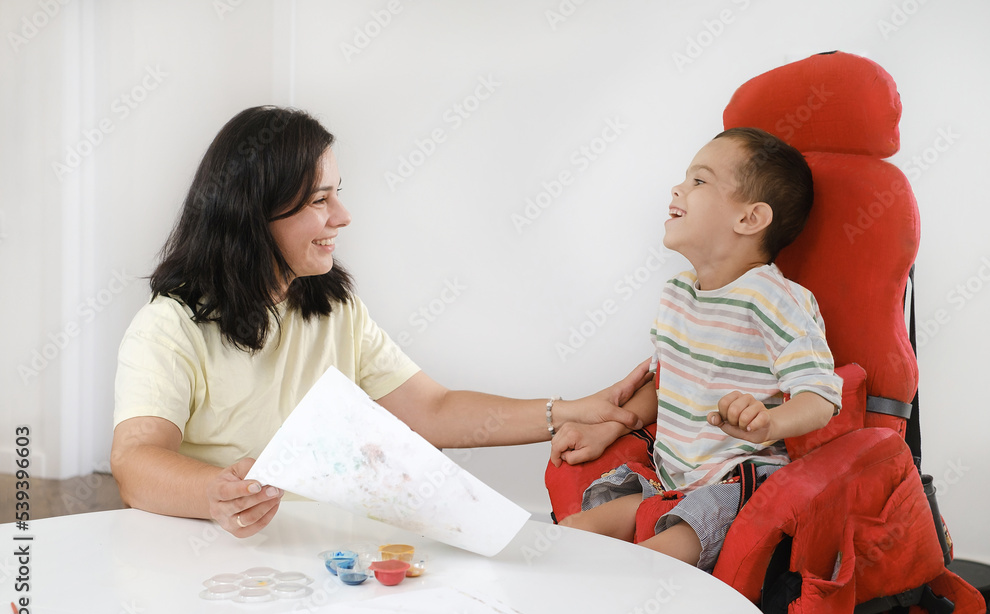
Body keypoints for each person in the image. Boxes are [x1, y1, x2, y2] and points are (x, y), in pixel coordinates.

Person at [110, 105, 648, 538]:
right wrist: (214, 493)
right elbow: (136, 461)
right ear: (254, 215)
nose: (342, 216)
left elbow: (433, 411)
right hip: (219, 554)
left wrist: (572, 409)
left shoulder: (333, 308)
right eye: (320, 199)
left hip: (325, 551)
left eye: (337, 193)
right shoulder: (170, 326)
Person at [550, 127, 843, 571]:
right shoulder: (677, 294)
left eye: (699, 181)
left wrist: (768, 423)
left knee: (644, 563)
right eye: (685, 179)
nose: (678, 188)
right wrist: (610, 426)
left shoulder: (773, 298)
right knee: (575, 530)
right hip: (672, 480)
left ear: (749, 219)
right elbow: (666, 386)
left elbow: (821, 396)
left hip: (739, 484)